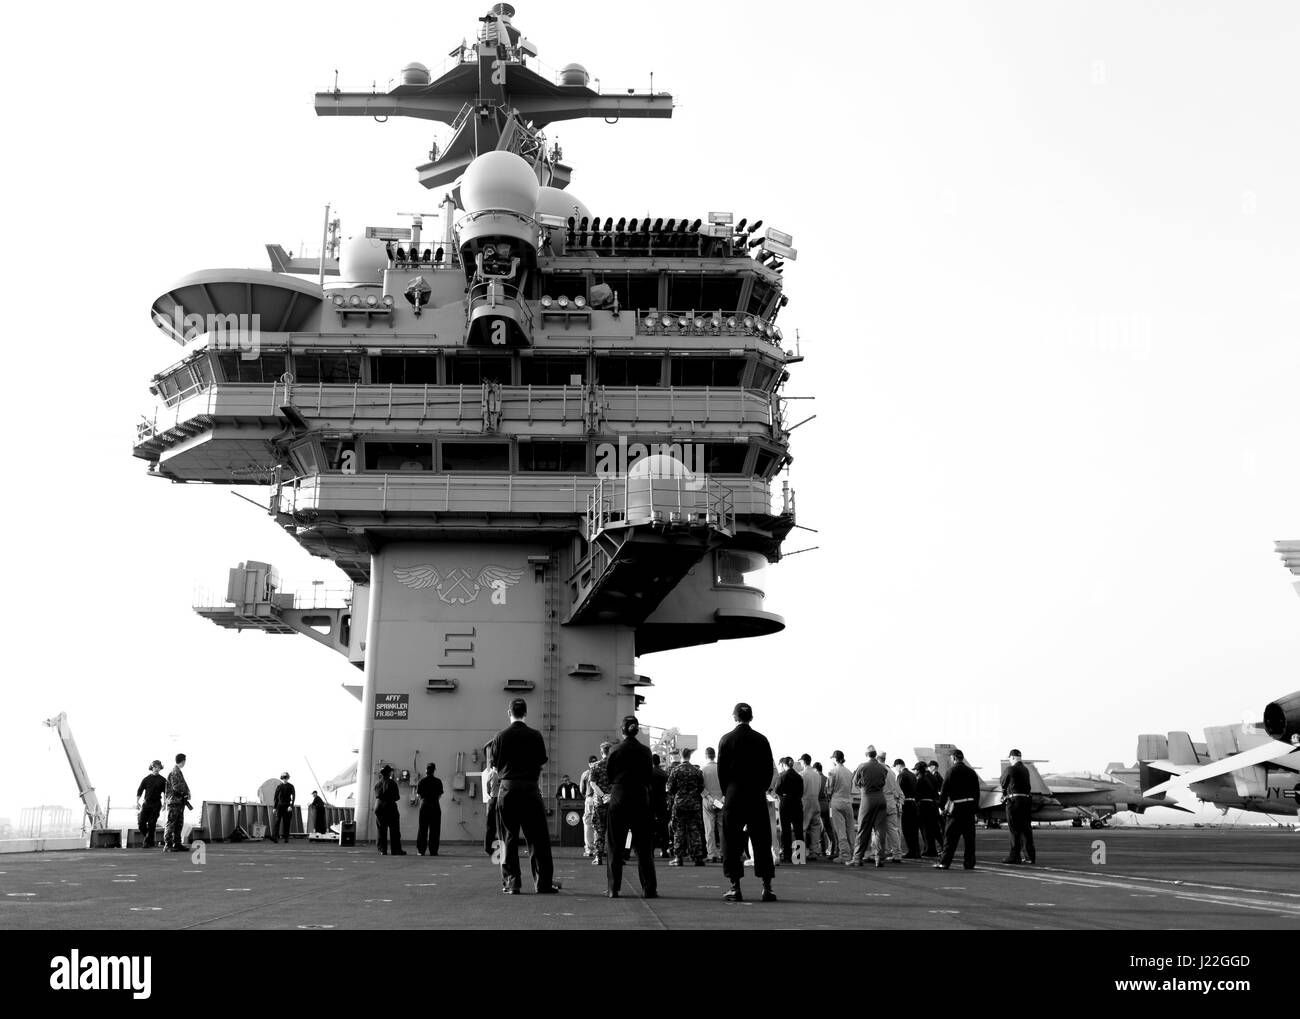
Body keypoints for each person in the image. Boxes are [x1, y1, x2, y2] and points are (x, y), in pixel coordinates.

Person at [490, 698, 560, 894]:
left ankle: (512, 883)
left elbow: (495, 766)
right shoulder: (535, 735)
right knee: (538, 838)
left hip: (508, 788)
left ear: (509, 712)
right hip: (530, 789)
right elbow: (542, 762)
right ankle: (543, 883)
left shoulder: (500, 737)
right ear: (525, 713)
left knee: (507, 837)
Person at [718, 703, 777, 902]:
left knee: (731, 841)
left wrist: (728, 791)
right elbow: (769, 770)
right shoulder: (761, 740)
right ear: (751, 717)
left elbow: (722, 772)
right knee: (762, 840)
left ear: (734, 717)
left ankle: (735, 886)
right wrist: (760, 788)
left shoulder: (726, 740)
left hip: (734, 793)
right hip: (755, 794)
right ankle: (767, 887)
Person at [604, 715, 658, 898]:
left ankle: (613, 888)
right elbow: (648, 775)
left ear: (623, 730)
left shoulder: (614, 750)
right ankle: (649, 888)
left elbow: (609, 776)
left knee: (615, 845)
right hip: (640, 797)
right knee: (644, 846)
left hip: (619, 795)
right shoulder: (645, 751)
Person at [936, 748, 980, 870]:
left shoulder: (951, 771)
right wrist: (975, 810)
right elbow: (977, 793)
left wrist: (941, 806)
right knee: (969, 839)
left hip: (956, 809)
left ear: (954, 758)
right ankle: (969, 863)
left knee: (950, 838)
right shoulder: (971, 772)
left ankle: (944, 862)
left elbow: (944, 791)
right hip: (969, 809)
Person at [666, 746, 706, 865]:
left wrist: (678, 794)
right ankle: (697, 857)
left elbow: (669, 788)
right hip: (694, 804)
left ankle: (678, 857)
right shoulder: (697, 771)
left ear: (681, 755)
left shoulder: (676, 770)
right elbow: (701, 788)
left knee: (679, 830)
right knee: (694, 830)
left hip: (679, 804)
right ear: (690, 756)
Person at [849, 747, 888, 868]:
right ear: (875, 755)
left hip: (867, 798)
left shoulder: (862, 766)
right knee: (880, 830)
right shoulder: (883, 768)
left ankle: (857, 858)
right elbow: (884, 781)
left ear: (866, 754)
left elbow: (855, 782)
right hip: (881, 798)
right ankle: (879, 857)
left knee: (863, 829)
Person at [1000, 748, 1036, 865]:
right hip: (1025, 801)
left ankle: (1015, 856)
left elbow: (1003, 783)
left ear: (1013, 757)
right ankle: (1030, 856)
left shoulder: (1010, 769)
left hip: (1014, 802)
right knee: (1026, 829)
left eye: (1010, 758)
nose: (1009, 761)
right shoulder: (1026, 770)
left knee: (1014, 830)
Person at [825, 751, 855, 862]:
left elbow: (829, 789)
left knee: (840, 830)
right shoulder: (849, 772)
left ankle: (844, 854)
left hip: (836, 801)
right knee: (850, 829)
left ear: (834, 759)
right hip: (848, 801)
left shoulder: (832, 771)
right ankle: (852, 853)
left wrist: (829, 797)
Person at [587, 742, 613, 866]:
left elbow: (592, 784)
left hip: (600, 803)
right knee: (615, 830)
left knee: (599, 830)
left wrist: (603, 796)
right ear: (610, 751)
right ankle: (618, 857)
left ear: (601, 751)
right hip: (614, 802)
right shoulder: (616, 766)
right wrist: (611, 795)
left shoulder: (595, 766)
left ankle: (599, 856)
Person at [775, 757, 805, 864]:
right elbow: (801, 792)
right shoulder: (799, 777)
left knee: (786, 830)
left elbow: (777, 790)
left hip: (785, 804)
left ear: (784, 765)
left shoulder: (782, 776)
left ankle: (787, 856)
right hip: (797, 803)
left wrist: (783, 795)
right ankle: (800, 857)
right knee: (798, 830)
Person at [374, 764, 405, 856]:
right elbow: (397, 797)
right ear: (389, 773)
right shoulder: (392, 783)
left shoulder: (377, 783)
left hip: (378, 806)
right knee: (394, 829)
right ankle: (395, 850)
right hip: (390, 806)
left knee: (381, 829)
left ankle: (382, 850)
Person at [163, 753, 191, 852]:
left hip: (179, 801)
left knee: (178, 823)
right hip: (174, 801)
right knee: (171, 823)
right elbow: (176, 787)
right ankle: (168, 845)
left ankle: (177, 843)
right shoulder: (174, 772)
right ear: (183, 761)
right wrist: (184, 794)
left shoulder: (177, 771)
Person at [798, 754, 824, 862]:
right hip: (816, 801)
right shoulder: (817, 774)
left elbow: (800, 790)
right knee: (815, 827)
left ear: (803, 761)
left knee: (802, 827)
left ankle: (801, 853)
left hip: (806, 801)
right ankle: (814, 852)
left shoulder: (801, 774)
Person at [700, 746, 724, 862]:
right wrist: (722, 799)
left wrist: (709, 798)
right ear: (715, 755)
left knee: (709, 829)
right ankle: (724, 853)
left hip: (708, 801)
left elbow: (701, 787)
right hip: (721, 800)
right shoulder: (722, 768)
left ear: (706, 755)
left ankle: (712, 854)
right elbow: (726, 786)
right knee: (722, 829)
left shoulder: (703, 770)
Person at [136, 760, 166, 849]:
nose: (157, 769)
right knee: (141, 823)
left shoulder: (163, 780)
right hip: (146, 803)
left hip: (156, 804)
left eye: (159, 767)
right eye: (155, 767)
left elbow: (166, 793)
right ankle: (149, 840)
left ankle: (147, 842)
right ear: (152, 767)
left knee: (152, 823)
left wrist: (165, 803)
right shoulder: (146, 779)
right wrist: (137, 801)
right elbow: (140, 790)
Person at [416, 763, 444, 856]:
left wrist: (425, 799)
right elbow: (440, 795)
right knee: (435, 829)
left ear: (426, 770)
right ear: (434, 770)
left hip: (425, 805)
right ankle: (433, 851)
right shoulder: (438, 781)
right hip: (435, 805)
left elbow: (419, 795)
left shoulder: (422, 781)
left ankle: (421, 850)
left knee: (422, 829)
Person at [915, 761, 940, 858]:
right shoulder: (930, 778)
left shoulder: (921, 779)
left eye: (916, 770)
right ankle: (931, 848)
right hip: (932, 804)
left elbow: (917, 793)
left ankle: (929, 849)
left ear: (918, 770)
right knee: (931, 828)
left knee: (925, 829)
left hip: (924, 805)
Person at [896, 760, 920, 859]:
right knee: (914, 829)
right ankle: (916, 851)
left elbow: (897, 790)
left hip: (906, 803)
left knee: (907, 829)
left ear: (898, 765)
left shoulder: (901, 775)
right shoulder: (913, 775)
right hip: (914, 803)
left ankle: (911, 851)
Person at [650, 754, 671, 859]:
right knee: (663, 827)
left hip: (650, 803)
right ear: (659, 762)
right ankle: (664, 850)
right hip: (662, 802)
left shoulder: (648, 773)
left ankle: (651, 850)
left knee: (650, 827)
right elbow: (668, 789)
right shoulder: (664, 773)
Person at [814, 762, 836, 859]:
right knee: (828, 828)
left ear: (815, 769)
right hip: (827, 805)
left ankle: (822, 850)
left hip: (817, 804)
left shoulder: (816, 779)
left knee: (819, 828)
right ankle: (832, 849)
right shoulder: (826, 778)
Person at [579, 754, 599, 858]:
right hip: (599, 799)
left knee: (588, 824)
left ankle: (589, 849)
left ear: (588, 763)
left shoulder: (585, 774)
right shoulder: (600, 772)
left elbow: (582, 790)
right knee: (599, 824)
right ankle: (599, 848)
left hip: (589, 799)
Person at [482, 744, 500, 857]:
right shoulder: (503, 774)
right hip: (502, 800)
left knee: (490, 826)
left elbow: (487, 789)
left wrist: (491, 794)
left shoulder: (490, 774)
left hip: (493, 800)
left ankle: (488, 848)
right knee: (504, 826)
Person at [271, 772, 295, 844]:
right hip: (279, 806)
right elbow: (276, 798)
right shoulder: (279, 786)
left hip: (287, 806)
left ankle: (286, 837)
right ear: (282, 778)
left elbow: (293, 797)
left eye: (286, 777)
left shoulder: (291, 786)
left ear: (288, 778)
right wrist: (274, 807)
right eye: (283, 777)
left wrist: (291, 806)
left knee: (286, 822)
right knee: (277, 821)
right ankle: (275, 837)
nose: (285, 779)